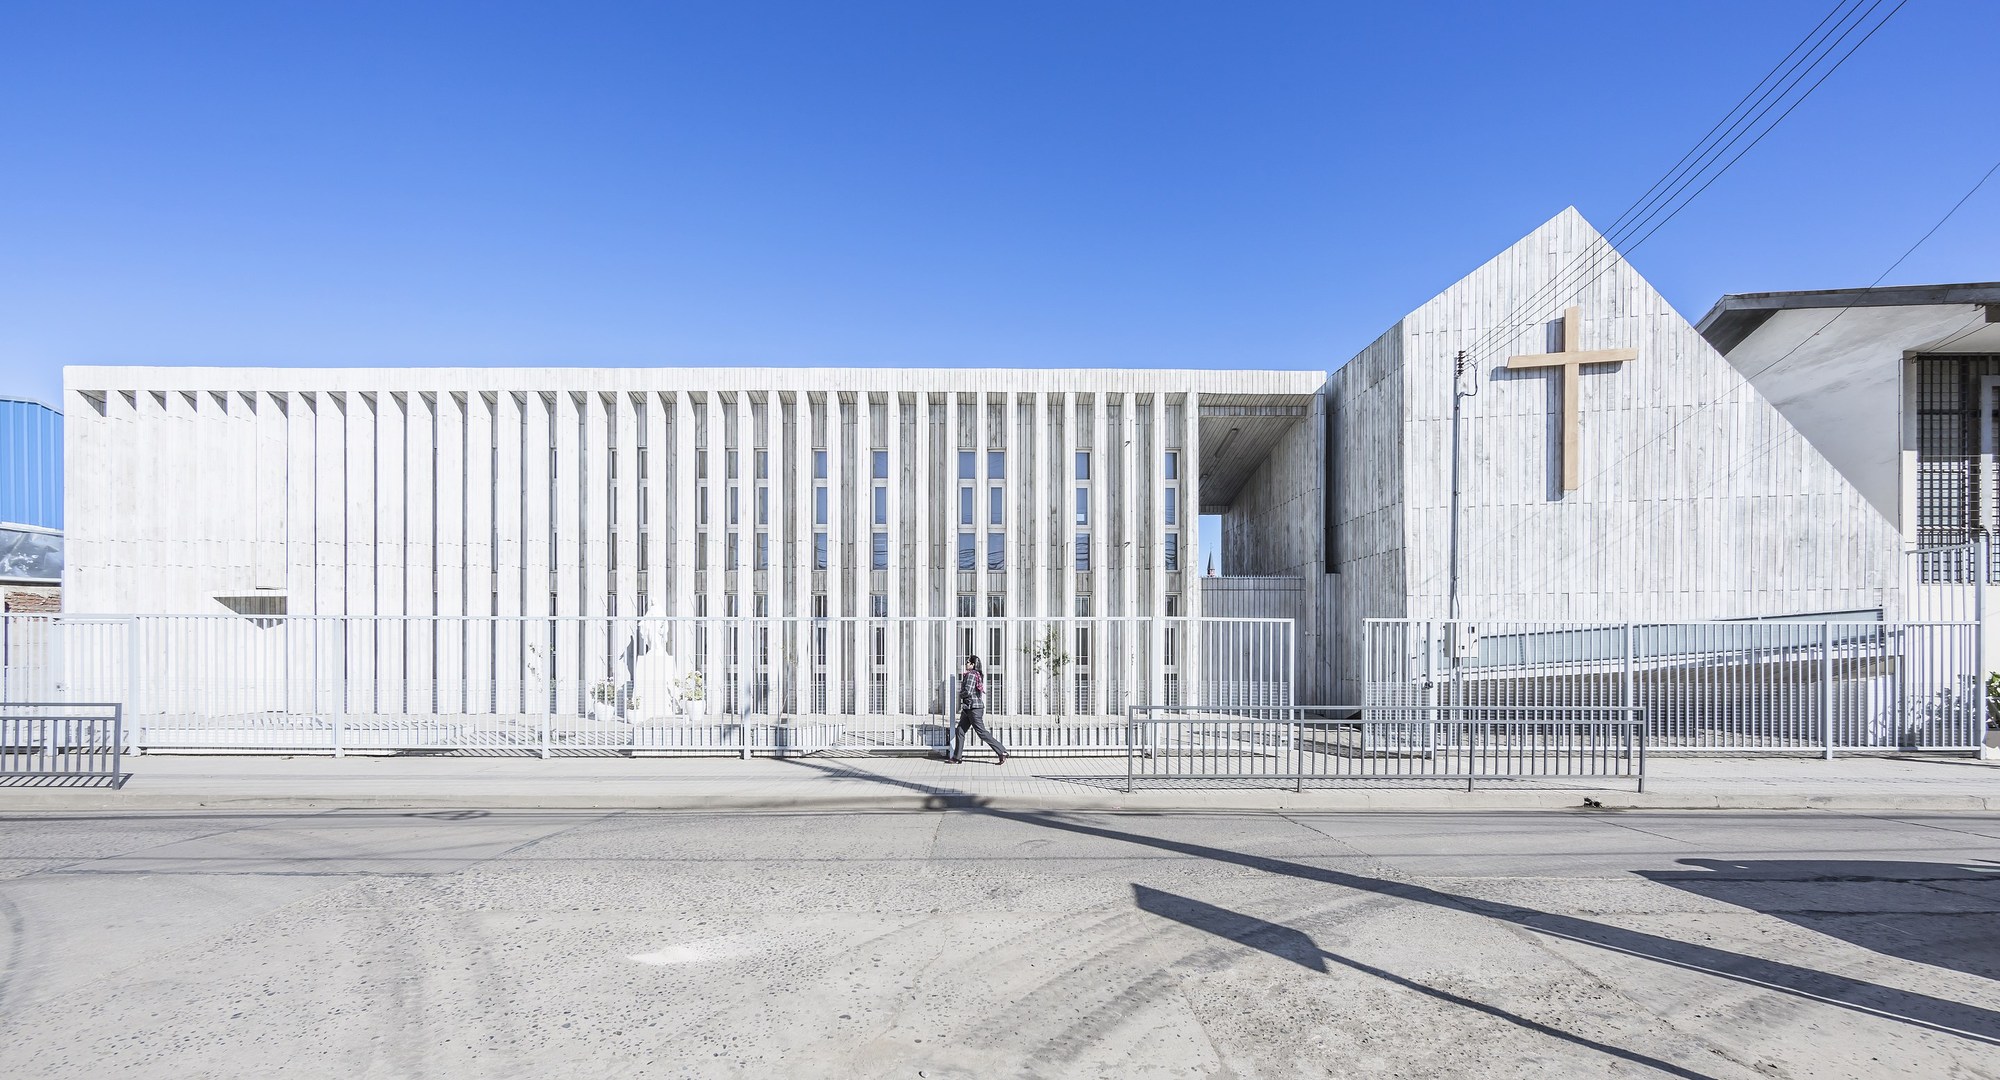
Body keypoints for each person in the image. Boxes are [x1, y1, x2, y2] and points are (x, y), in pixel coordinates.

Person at [947, 655, 1008, 765]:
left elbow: (968, 691)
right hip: (968, 708)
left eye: (968, 662)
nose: (966, 664)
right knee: (960, 731)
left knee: (981, 732)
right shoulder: (975, 674)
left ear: (973, 664)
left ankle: (1001, 751)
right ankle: (957, 757)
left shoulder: (971, 675)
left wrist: (960, 694)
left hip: (973, 708)